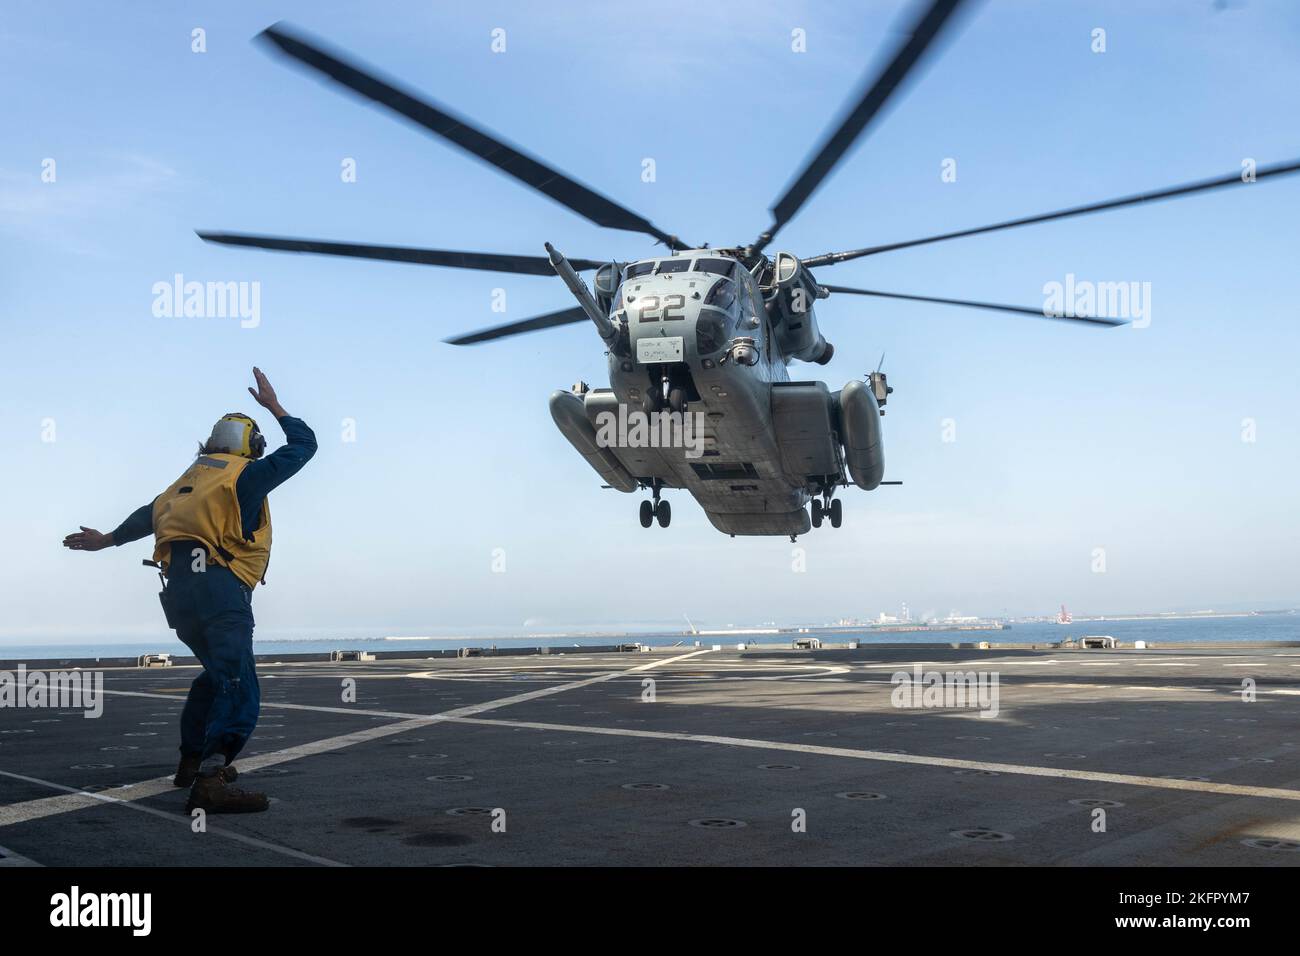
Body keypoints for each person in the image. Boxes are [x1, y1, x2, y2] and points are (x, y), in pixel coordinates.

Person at [63, 368, 316, 813]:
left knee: (215, 677)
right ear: (252, 446)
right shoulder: (243, 477)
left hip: (178, 596)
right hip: (220, 592)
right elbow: (305, 446)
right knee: (239, 687)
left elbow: (146, 515)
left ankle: (191, 762)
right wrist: (276, 407)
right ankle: (212, 779)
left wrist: (105, 540)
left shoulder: (185, 483)